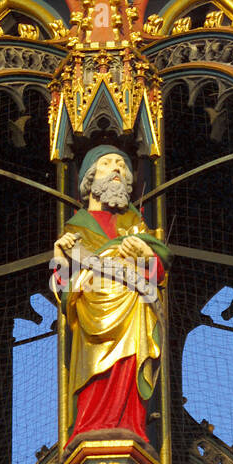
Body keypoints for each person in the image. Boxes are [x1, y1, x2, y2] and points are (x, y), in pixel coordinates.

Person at [52, 146, 170, 444]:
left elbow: (157, 273)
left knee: (129, 366)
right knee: (95, 374)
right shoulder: (76, 229)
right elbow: (63, 287)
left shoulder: (136, 226)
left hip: (132, 312)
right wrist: (61, 255)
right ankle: (90, 426)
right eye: (107, 164)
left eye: (122, 164)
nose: (117, 169)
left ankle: (132, 425)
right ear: (90, 179)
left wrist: (145, 253)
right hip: (92, 314)